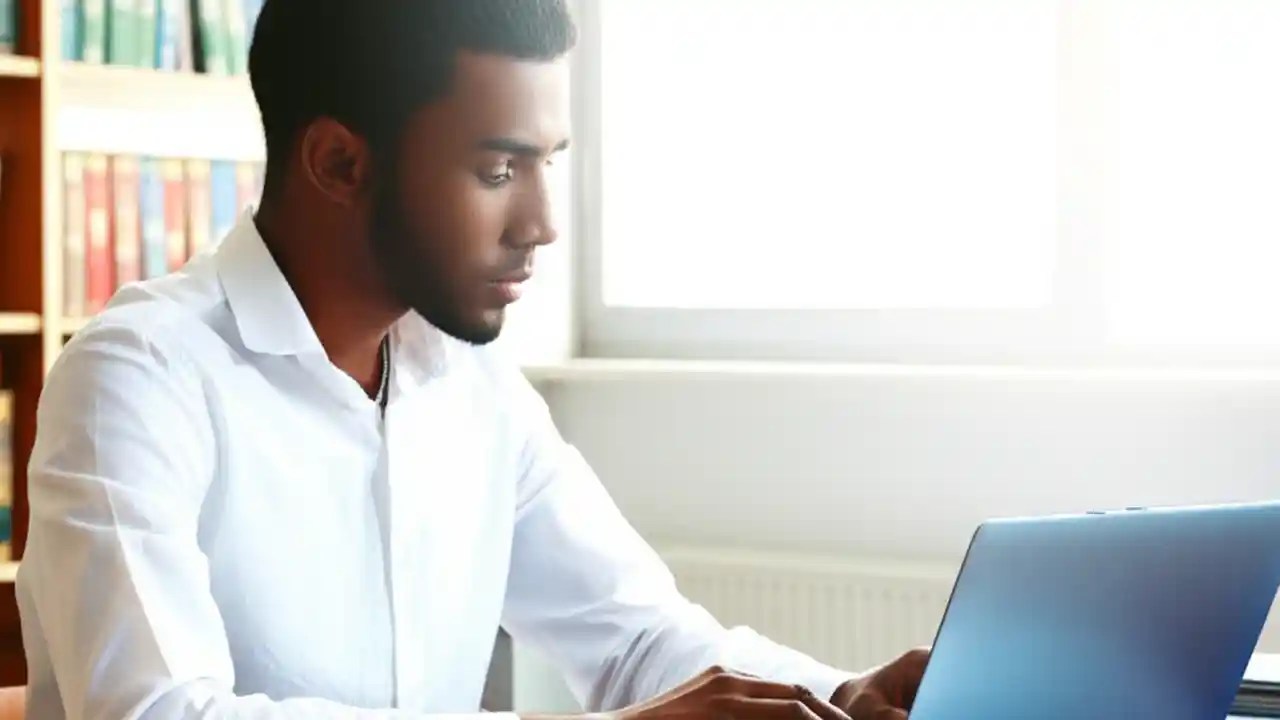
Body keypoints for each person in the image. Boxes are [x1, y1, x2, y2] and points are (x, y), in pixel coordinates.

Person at [16, 2, 928, 719]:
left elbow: (638, 642)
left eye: (548, 165)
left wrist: (843, 698)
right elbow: (157, 714)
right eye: (499, 171)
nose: (542, 224)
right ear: (338, 162)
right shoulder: (138, 379)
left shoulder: (475, 388)